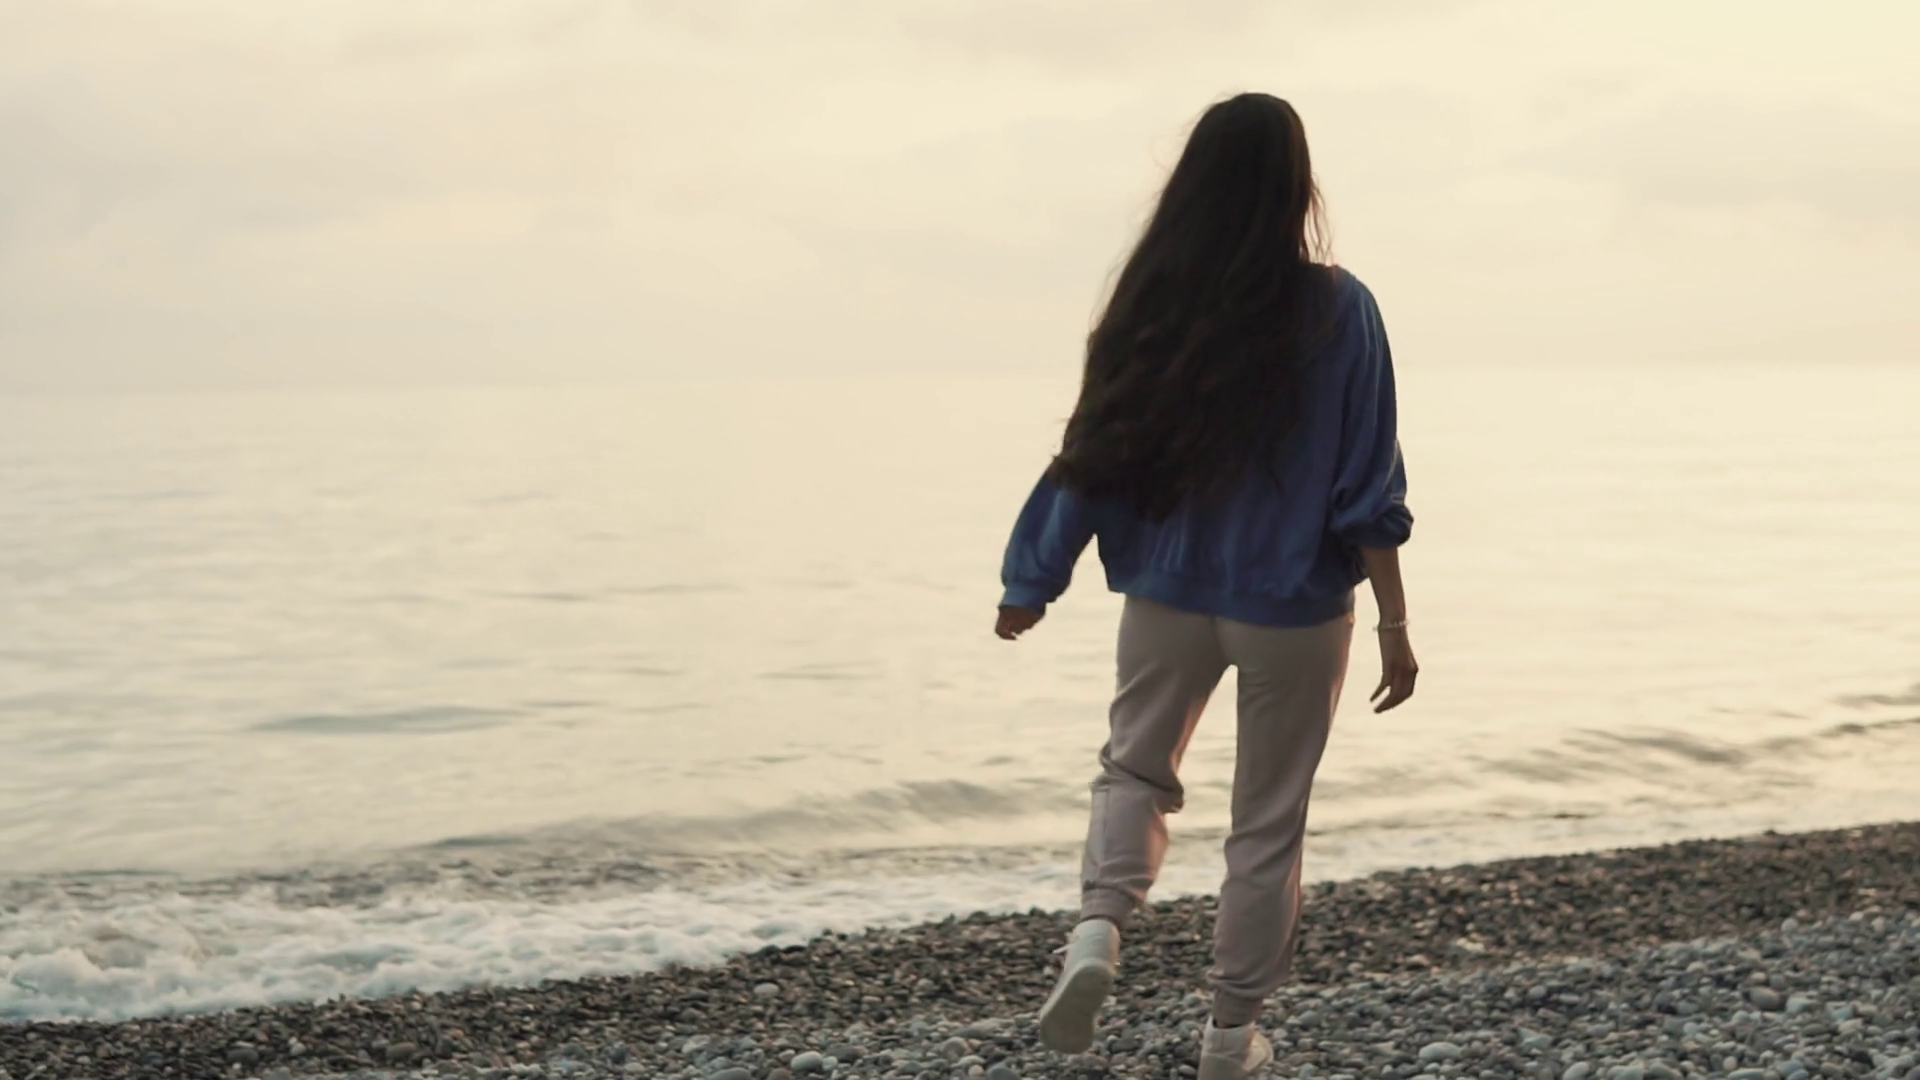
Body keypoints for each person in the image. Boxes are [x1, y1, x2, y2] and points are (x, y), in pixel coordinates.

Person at [993, 93, 1418, 1080]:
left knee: (1134, 771)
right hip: (1296, 610)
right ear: (1295, 186)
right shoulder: (1341, 307)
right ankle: (1229, 1038)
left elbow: (1093, 448)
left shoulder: (1152, 293)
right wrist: (1395, 620)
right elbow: (1368, 483)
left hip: (1166, 597)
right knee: (1266, 823)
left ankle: (1098, 932)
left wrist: (1034, 575)